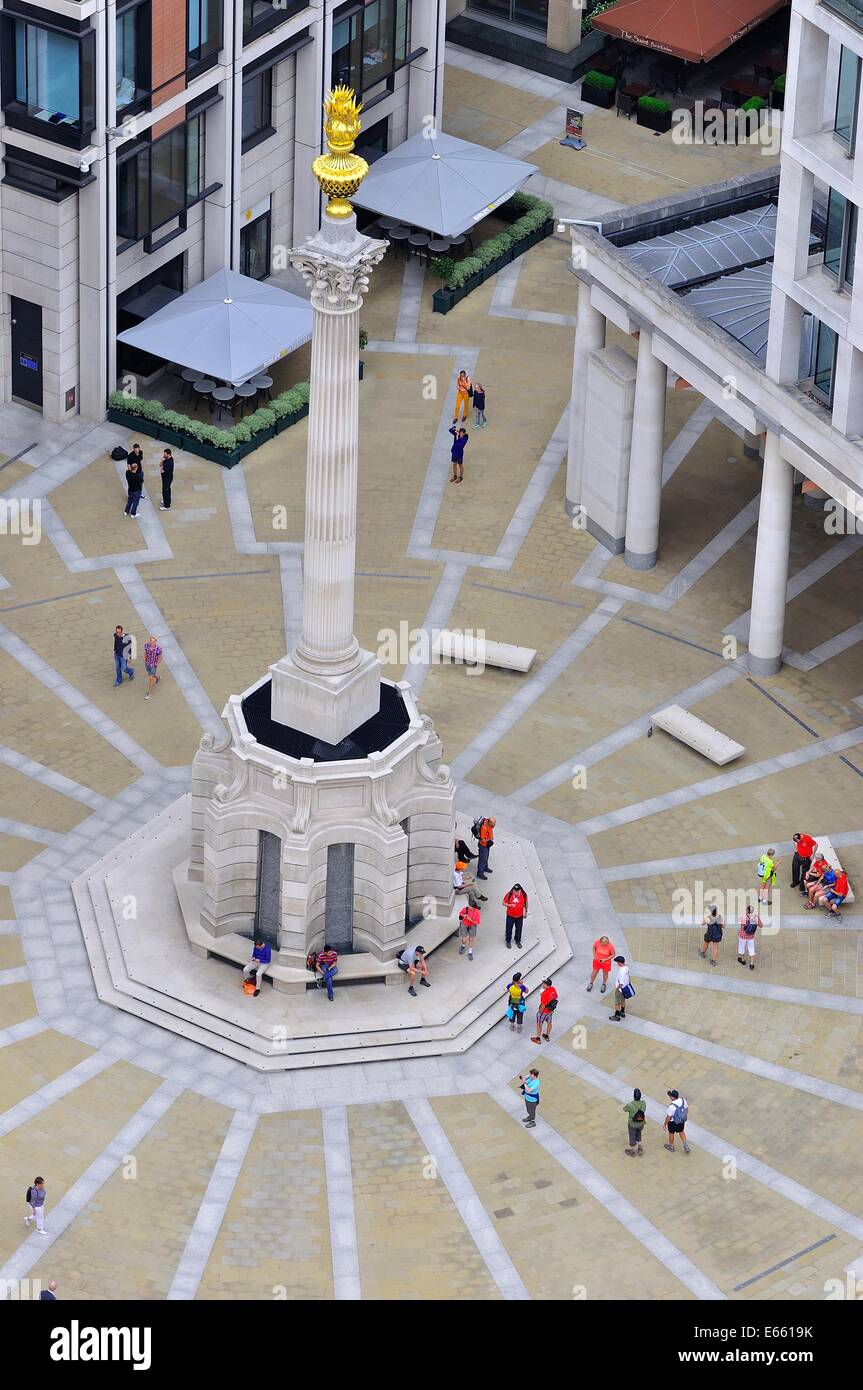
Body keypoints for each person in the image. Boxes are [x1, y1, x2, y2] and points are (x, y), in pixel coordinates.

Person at [531, 978, 558, 1044]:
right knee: (549, 1022)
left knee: (539, 1024)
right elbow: (556, 997)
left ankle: (538, 1039)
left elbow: (543, 1005)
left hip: (544, 1011)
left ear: (546, 985)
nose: (543, 984)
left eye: (544, 983)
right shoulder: (553, 989)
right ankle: (546, 1035)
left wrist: (539, 1012)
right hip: (550, 1011)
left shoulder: (544, 993)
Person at [502, 882, 528, 949]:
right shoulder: (509, 894)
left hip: (519, 916)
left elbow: (526, 903)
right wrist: (510, 905)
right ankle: (508, 941)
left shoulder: (524, 895)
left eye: (516, 891)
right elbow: (503, 903)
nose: (514, 892)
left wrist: (526, 911)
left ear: (519, 891)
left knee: (519, 929)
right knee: (508, 929)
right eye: (513, 890)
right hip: (510, 915)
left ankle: (518, 941)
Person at [623, 1087, 647, 1157]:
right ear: (640, 1096)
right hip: (641, 1123)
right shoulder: (644, 1103)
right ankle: (640, 1148)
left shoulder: (630, 1104)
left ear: (634, 1096)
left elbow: (624, 1109)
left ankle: (632, 1151)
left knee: (632, 1136)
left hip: (632, 1124)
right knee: (639, 1134)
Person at [609, 955, 633, 1021]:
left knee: (617, 1003)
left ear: (619, 962)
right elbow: (629, 977)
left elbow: (621, 983)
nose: (617, 964)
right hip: (625, 988)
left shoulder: (622, 971)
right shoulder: (626, 967)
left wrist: (617, 989)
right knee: (623, 1001)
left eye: (617, 962)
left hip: (620, 989)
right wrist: (628, 984)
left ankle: (617, 1016)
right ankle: (622, 1012)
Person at [737, 904, 761, 969]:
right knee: (751, 949)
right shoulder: (755, 917)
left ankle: (742, 960)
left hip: (743, 936)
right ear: (752, 911)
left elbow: (742, 928)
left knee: (742, 947)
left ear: (747, 910)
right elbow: (761, 925)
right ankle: (751, 964)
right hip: (751, 937)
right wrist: (758, 918)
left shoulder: (744, 917)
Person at [475, 815, 495, 879]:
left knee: (486, 857)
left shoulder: (488, 823)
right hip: (483, 845)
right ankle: (480, 873)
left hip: (487, 845)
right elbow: (483, 840)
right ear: (489, 823)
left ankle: (485, 867)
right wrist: (490, 839)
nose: (493, 826)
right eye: (493, 825)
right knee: (482, 859)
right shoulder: (484, 828)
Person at [143, 635, 162, 701]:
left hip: (153, 665)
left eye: (153, 641)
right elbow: (145, 652)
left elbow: (160, 658)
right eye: (151, 641)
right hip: (147, 664)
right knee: (152, 675)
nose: (152, 642)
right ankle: (157, 678)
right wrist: (145, 659)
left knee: (151, 678)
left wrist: (156, 664)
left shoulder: (158, 649)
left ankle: (149, 693)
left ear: (155, 642)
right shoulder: (146, 646)